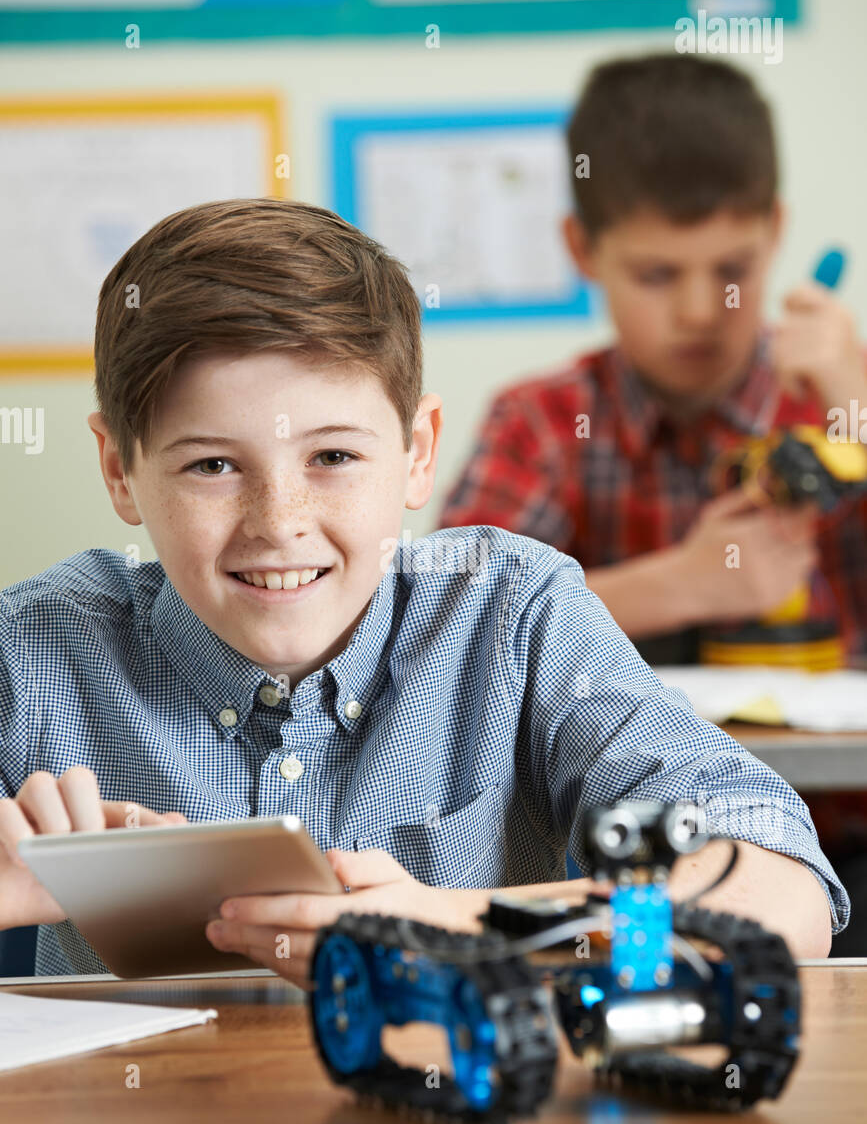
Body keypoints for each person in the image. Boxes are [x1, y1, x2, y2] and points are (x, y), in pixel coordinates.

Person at [0, 198, 846, 986]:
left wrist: (460, 925)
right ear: (120, 470)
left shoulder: (512, 616)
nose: (280, 523)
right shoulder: (40, 646)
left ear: (416, 451)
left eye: (333, 457)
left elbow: (780, 896)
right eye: (213, 466)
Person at [439, 53, 866, 951]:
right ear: (581, 250)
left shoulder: (840, 401)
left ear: (777, 230)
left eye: (731, 267)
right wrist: (682, 585)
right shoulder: (542, 425)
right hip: (623, 866)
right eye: (657, 275)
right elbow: (452, 636)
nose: (702, 310)